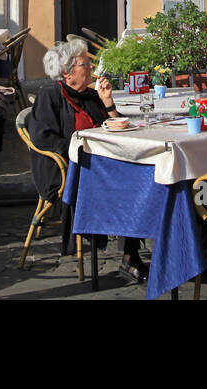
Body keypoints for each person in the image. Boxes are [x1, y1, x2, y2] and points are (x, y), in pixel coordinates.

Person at [29, 37, 145, 280]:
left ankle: (131, 251)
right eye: (85, 65)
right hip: (67, 170)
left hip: (101, 164)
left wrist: (108, 101)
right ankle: (129, 254)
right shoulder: (50, 96)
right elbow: (43, 139)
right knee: (127, 185)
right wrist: (80, 148)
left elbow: (115, 124)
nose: (91, 68)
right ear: (67, 72)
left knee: (139, 176)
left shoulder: (91, 96)